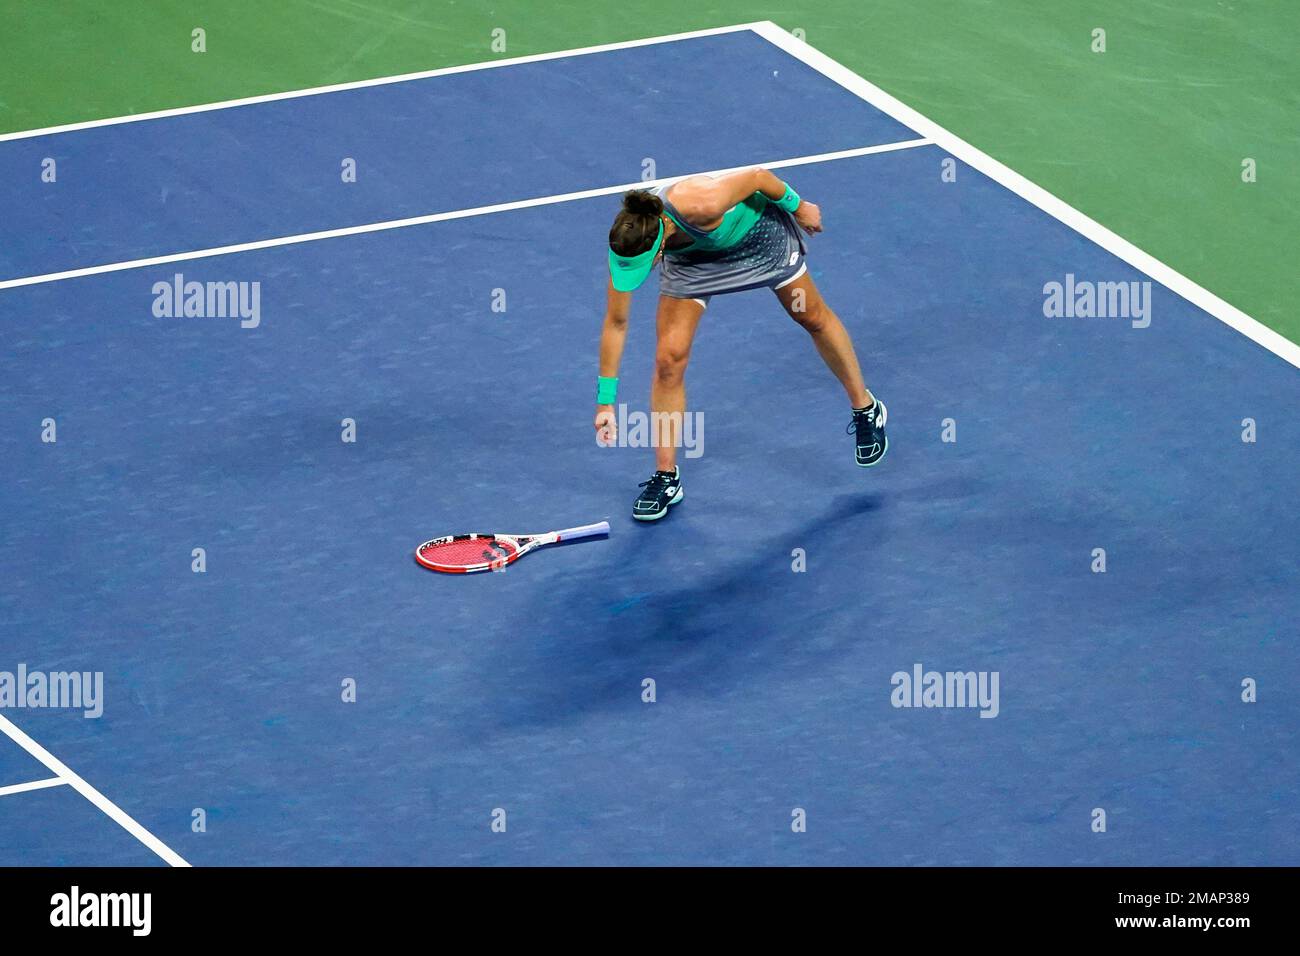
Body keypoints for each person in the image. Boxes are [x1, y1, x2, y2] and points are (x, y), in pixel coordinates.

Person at [595, 169, 886, 521]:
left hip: (757, 239)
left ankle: (865, 407)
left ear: (657, 245)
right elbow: (616, 322)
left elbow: (759, 178)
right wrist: (605, 402)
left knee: (811, 317)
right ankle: (666, 476)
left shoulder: (702, 201)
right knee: (669, 359)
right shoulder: (626, 238)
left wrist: (799, 207)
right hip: (692, 263)